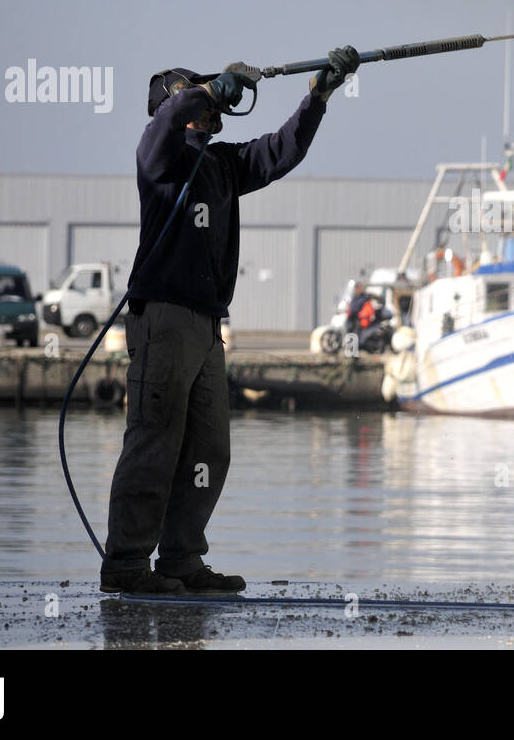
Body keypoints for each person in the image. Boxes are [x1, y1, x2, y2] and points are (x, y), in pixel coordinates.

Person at [100, 45, 360, 595]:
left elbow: (281, 151)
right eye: (198, 91)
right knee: (153, 441)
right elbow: (168, 124)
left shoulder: (222, 164)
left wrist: (318, 96)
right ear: (179, 101)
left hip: (205, 327)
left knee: (208, 449)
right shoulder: (160, 156)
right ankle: (126, 565)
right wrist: (208, 90)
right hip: (164, 318)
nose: (215, 99)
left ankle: (180, 560)